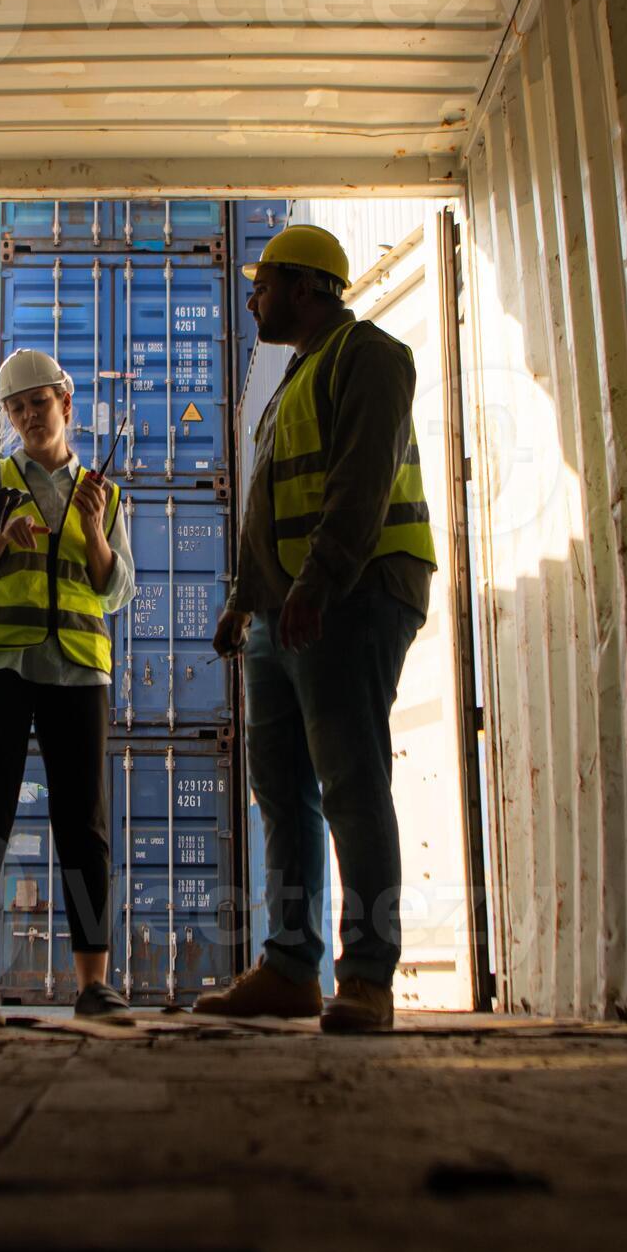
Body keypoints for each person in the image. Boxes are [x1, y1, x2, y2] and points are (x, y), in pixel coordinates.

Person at [197, 225, 437, 1035]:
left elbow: (361, 481)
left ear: (305, 287)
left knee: (350, 784)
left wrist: (319, 581)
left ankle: (366, 976)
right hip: (282, 610)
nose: (252, 297)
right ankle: (292, 967)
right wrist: (242, 600)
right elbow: (268, 504)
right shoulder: (286, 383)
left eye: (262, 284)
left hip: (352, 597)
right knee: (282, 793)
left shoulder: (368, 355)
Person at [0, 350, 136, 1026]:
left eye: (38, 402)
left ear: (65, 404)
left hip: (77, 670)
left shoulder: (100, 494)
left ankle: (94, 983)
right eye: (15, 406)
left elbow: (115, 589)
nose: (27, 415)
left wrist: (89, 529)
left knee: (84, 827)